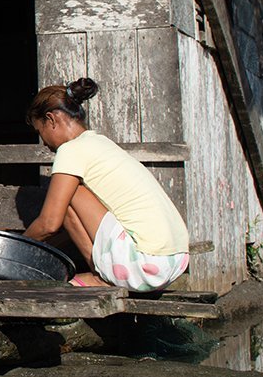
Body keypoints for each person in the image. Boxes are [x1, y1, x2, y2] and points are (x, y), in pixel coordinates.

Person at [23, 78, 190, 290]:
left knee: (67, 194)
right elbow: (71, 226)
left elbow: (49, 223)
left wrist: (14, 248)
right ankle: (107, 272)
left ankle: (101, 276)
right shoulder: (100, 143)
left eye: (40, 132)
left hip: (146, 265)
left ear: (51, 119)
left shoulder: (71, 149)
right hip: (175, 262)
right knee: (66, 196)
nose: (44, 143)